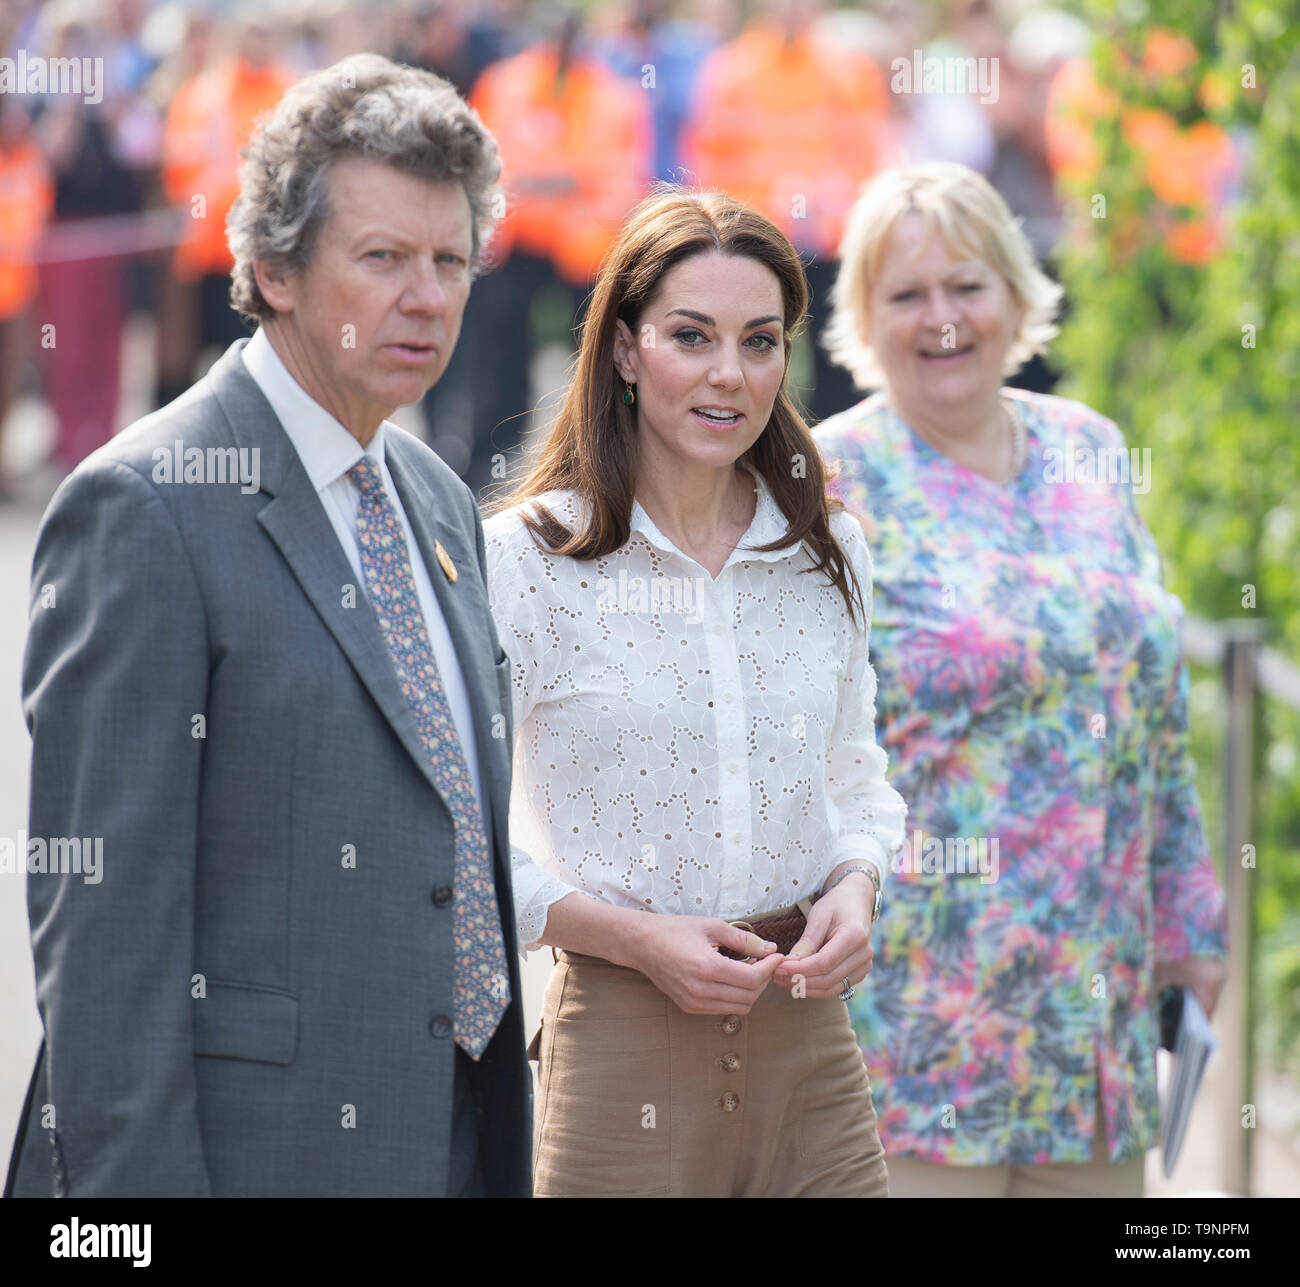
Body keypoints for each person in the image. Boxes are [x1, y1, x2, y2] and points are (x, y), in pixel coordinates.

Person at [5, 54, 530, 1198]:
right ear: (272, 271)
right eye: (383, 258)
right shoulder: (146, 506)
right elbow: (104, 935)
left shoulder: (436, 498)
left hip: (444, 1143)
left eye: (450, 261)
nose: (429, 297)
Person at [814, 161, 1229, 1197]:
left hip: (1098, 1009)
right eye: (906, 295)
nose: (941, 318)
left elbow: (1156, 721)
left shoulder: (1088, 448)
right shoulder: (826, 483)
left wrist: (1190, 923)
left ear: (1014, 293)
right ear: (864, 318)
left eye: (966, 286)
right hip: (915, 1019)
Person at [483, 186, 907, 1198]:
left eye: (760, 341)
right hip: (622, 1050)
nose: (729, 374)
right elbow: (454, 835)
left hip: (812, 1046)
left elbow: (855, 775)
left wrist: (854, 883)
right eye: (690, 336)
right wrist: (632, 938)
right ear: (624, 348)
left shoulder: (826, 550)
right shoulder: (527, 560)